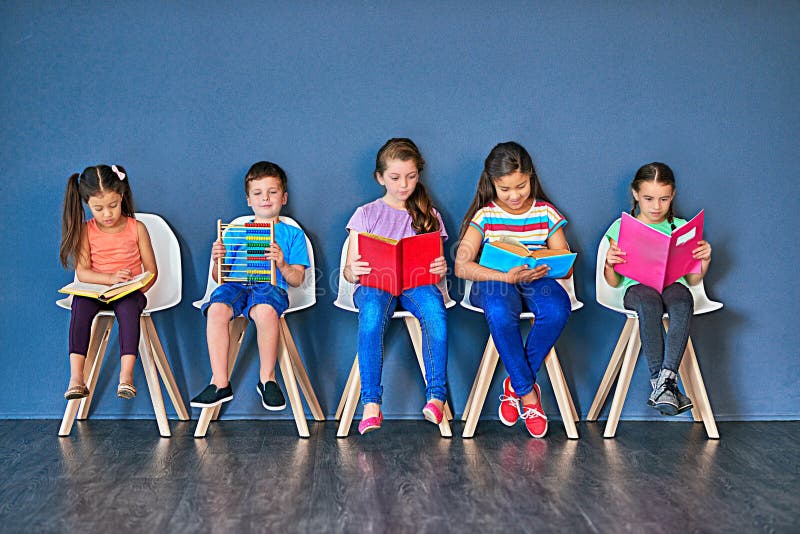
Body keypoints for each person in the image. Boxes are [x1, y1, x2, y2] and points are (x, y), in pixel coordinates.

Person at [454, 142, 572, 438]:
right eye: (504, 189)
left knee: (558, 309)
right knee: (499, 311)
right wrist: (505, 277)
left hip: (536, 280)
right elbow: (461, 265)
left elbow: (565, 263)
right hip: (495, 283)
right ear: (492, 183)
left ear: (531, 176)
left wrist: (543, 265)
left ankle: (515, 384)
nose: (515, 195)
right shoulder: (486, 216)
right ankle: (528, 395)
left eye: (521, 185)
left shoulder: (545, 212)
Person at [343, 138, 449, 434]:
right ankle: (372, 404)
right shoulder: (365, 214)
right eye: (395, 177)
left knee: (434, 310)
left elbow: (436, 268)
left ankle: (436, 396)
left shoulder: (430, 214)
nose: (404, 184)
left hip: (416, 285)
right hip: (376, 284)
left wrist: (440, 268)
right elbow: (350, 272)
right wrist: (355, 269)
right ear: (380, 178)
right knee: (372, 315)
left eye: (411, 176)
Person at [190, 161, 310, 412]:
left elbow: (297, 280)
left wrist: (282, 263)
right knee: (216, 309)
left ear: (284, 197)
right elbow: (218, 276)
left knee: (265, 311)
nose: (265, 198)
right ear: (248, 200)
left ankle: (268, 378)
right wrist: (217, 260)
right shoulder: (235, 231)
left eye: (272, 192)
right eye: (258, 193)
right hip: (236, 285)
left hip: (269, 287)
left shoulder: (292, 234)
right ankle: (220, 382)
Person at [603, 162, 712, 415]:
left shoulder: (682, 227)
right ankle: (660, 382)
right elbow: (613, 283)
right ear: (635, 194)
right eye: (648, 198)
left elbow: (694, 282)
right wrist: (609, 264)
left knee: (683, 299)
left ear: (672, 195)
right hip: (637, 290)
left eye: (663, 199)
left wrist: (704, 261)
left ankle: (666, 380)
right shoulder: (621, 228)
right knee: (649, 301)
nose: (656, 206)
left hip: (672, 286)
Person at [60, 164, 158, 400]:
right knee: (79, 308)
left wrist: (137, 286)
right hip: (95, 291)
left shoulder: (137, 228)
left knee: (128, 310)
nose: (107, 214)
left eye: (113, 206)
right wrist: (109, 279)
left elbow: (152, 270)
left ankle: (126, 376)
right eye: (98, 208)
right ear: (87, 205)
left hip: (127, 292)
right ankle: (76, 378)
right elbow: (83, 273)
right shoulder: (86, 230)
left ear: (122, 196)